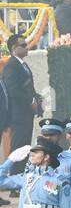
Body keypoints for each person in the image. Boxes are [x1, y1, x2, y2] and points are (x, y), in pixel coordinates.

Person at [2, 33, 40, 164]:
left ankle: (22, 176)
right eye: (23, 45)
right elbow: (13, 90)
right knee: (18, 149)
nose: (27, 47)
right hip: (18, 115)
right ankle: (15, 177)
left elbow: (28, 87)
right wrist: (31, 101)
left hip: (26, 114)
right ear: (14, 48)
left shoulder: (22, 64)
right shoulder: (11, 66)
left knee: (25, 148)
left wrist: (37, 99)